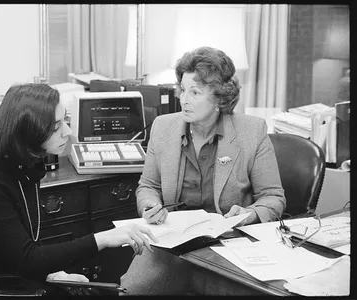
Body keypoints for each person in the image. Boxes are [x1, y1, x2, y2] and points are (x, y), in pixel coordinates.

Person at [0, 83, 158, 296]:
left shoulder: (26, 168)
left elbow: (19, 247)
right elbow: (27, 258)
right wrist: (104, 238)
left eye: (65, 121)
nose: (68, 131)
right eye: (56, 126)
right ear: (29, 132)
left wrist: (54, 274)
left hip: (8, 277)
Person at [120, 46, 286, 295]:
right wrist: (149, 206)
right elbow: (148, 186)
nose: (183, 100)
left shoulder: (252, 131)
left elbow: (274, 197)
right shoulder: (163, 127)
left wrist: (249, 214)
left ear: (219, 97)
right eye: (182, 90)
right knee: (131, 290)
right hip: (172, 243)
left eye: (195, 92)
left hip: (229, 242)